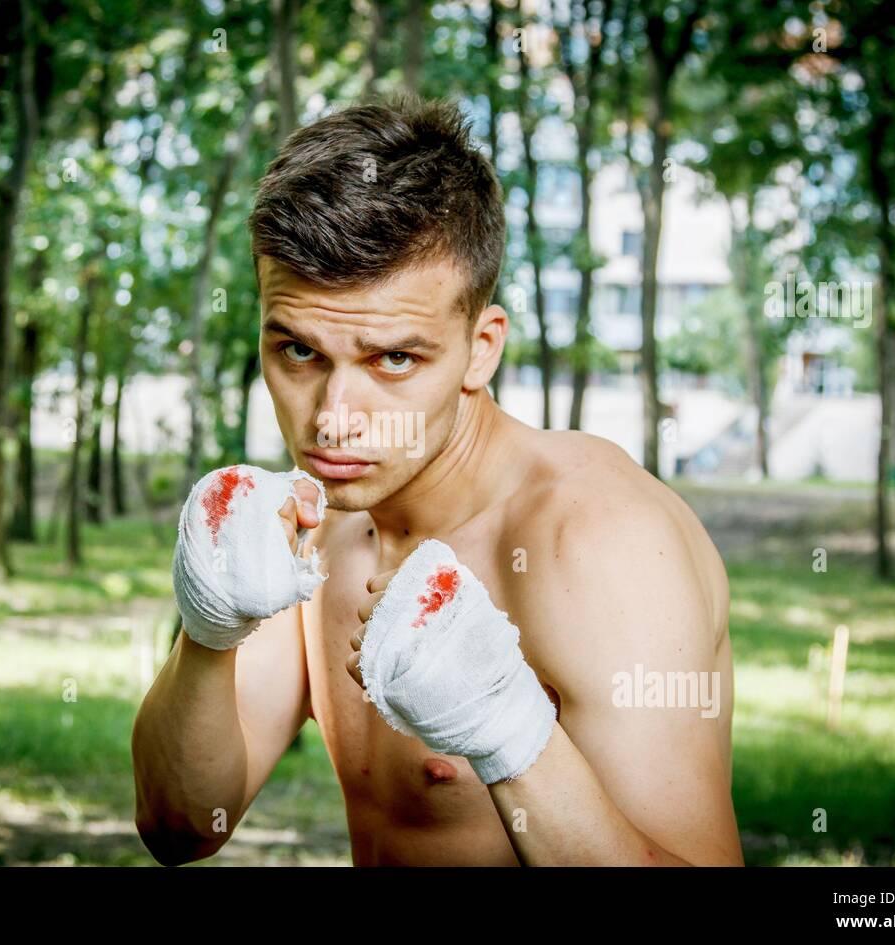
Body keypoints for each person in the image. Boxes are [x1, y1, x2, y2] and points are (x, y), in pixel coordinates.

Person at [132, 95, 743, 866]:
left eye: (393, 359)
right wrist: (209, 635)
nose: (333, 420)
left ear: (481, 348)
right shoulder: (313, 523)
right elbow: (179, 827)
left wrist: (512, 736)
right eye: (297, 351)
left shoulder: (595, 542)